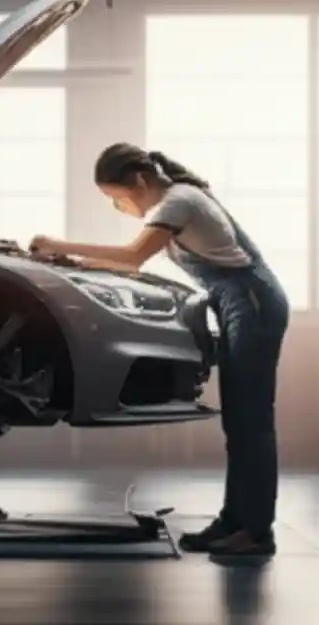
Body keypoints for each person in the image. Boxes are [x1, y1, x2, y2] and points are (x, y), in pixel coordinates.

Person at [29, 142, 289, 557]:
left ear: (139, 181)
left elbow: (133, 257)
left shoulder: (179, 200)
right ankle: (234, 520)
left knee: (251, 423)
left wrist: (62, 245)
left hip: (251, 302)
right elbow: (134, 260)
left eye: (119, 199)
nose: (122, 208)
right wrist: (76, 264)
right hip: (236, 301)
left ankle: (257, 531)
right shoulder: (174, 201)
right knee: (238, 423)